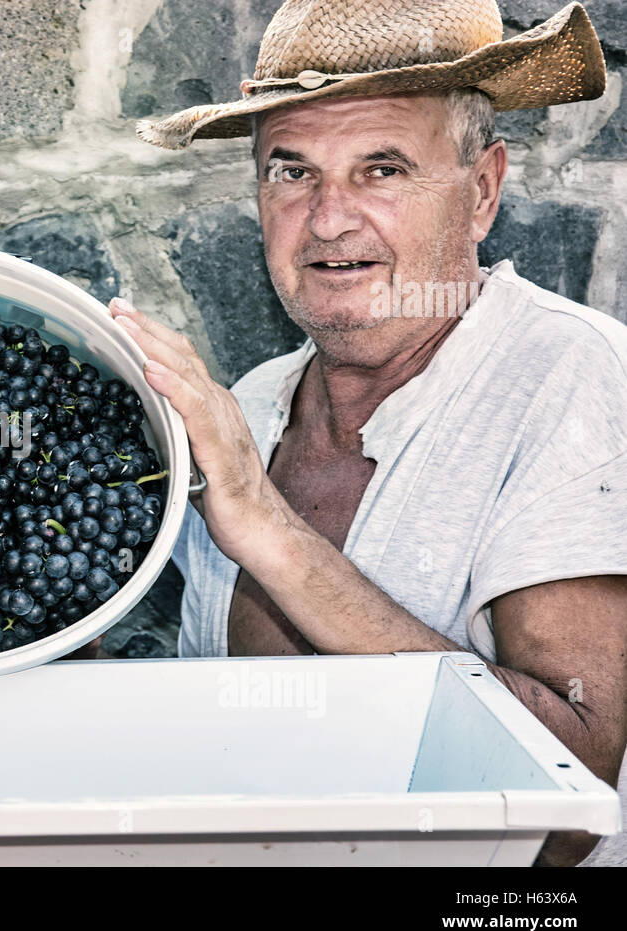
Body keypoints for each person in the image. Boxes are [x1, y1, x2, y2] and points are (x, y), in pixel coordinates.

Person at [113, 0, 627, 866]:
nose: (328, 220)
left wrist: (269, 530)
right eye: (291, 171)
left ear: (482, 192)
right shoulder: (254, 402)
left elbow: (566, 805)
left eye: (382, 169)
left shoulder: (574, 378)